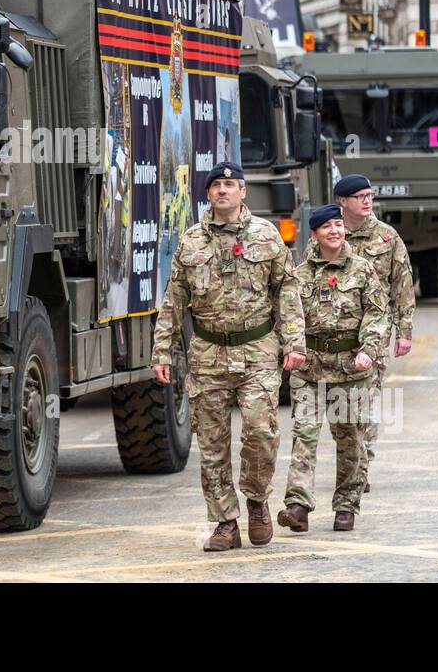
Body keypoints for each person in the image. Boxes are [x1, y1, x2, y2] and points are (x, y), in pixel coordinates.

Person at [151, 161, 306, 552]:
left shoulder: (267, 236)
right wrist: (162, 351)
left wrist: (295, 343)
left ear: (243, 192)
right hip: (207, 356)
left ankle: (257, 502)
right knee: (212, 445)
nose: (223, 190)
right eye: (216, 185)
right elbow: (173, 302)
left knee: (260, 433)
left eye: (230, 184)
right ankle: (224, 522)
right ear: (207, 194)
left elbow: (287, 291)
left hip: (257, 353)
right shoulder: (191, 242)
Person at [279, 204, 388, 534]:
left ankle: (346, 505)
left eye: (338, 225)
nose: (334, 231)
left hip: (350, 370)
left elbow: (377, 314)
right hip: (310, 369)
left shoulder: (363, 270)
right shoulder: (299, 275)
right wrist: (293, 348)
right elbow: (290, 317)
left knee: (349, 440)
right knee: (304, 434)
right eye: (326, 226)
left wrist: (369, 349)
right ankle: (297, 505)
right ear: (314, 234)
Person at [334, 174, 413, 494]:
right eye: (360, 196)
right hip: (336, 335)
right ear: (343, 202)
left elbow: (403, 285)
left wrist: (404, 331)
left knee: (364, 402)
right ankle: (350, 461)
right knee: (341, 405)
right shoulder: (328, 234)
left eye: (370, 195)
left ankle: (359, 467)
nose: (367, 201)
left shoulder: (387, 237)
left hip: (374, 333)